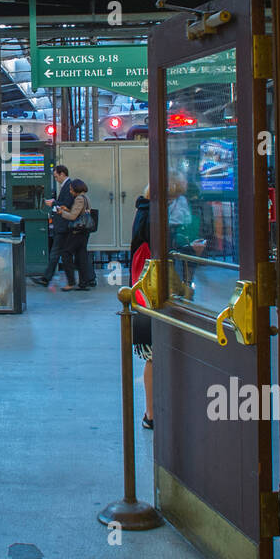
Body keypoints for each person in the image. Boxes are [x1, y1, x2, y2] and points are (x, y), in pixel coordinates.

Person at [130, 184, 154, 429]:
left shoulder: (142, 212)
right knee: (154, 358)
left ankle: (151, 412)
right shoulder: (153, 218)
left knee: (151, 358)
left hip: (141, 297)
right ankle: (151, 412)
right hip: (150, 298)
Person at [32, 165, 73, 287]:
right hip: (63, 225)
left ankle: (47, 278)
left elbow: (66, 204)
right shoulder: (66, 185)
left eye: (56, 176)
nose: (56, 179)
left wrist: (54, 202)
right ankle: (79, 279)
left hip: (63, 225)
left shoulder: (68, 186)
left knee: (56, 253)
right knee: (64, 254)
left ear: (62, 174)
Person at [54, 178, 94, 291]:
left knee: (66, 253)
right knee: (81, 256)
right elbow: (79, 212)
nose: (70, 191)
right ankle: (83, 283)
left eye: (71, 189)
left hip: (77, 231)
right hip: (84, 232)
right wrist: (67, 209)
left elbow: (72, 216)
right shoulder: (86, 198)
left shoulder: (79, 199)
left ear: (76, 189)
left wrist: (62, 212)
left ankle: (71, 282)